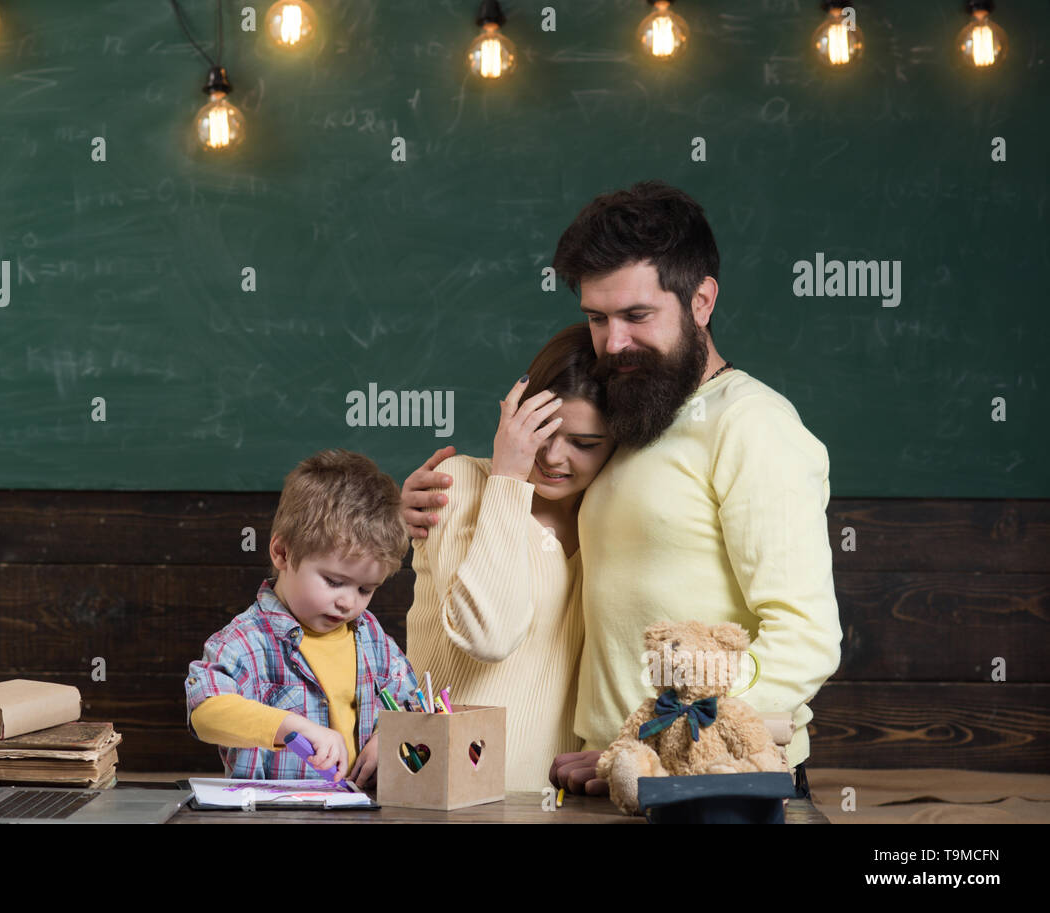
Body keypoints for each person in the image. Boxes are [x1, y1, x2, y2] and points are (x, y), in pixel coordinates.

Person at [403, 181, 842, 800]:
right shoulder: (627, 415)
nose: (612, 343)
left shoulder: (753, 425)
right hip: (600, 777)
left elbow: (806, 639)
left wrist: (660, 743)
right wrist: (426, 507)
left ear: (702, 301)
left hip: (714, 781)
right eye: (596, 317)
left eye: (637, 316)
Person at [405, 324, 618, 790]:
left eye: (584, 444)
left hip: (556, 804)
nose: (555, 457)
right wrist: (507, 479)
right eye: (542, 431)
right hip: (434, 791)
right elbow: (489, 636)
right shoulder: (458, 481)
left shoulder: (607, 523)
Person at [186, 449, 419, 785]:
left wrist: (391, 738)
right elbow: (205, 712)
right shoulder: (246, 641)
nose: (348, 602)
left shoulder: (373, 640)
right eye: (334, 582)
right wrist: (291, 727)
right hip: (273, 813)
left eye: (366, 590)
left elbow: (412, 704)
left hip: (362, 807)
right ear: (282, 552)